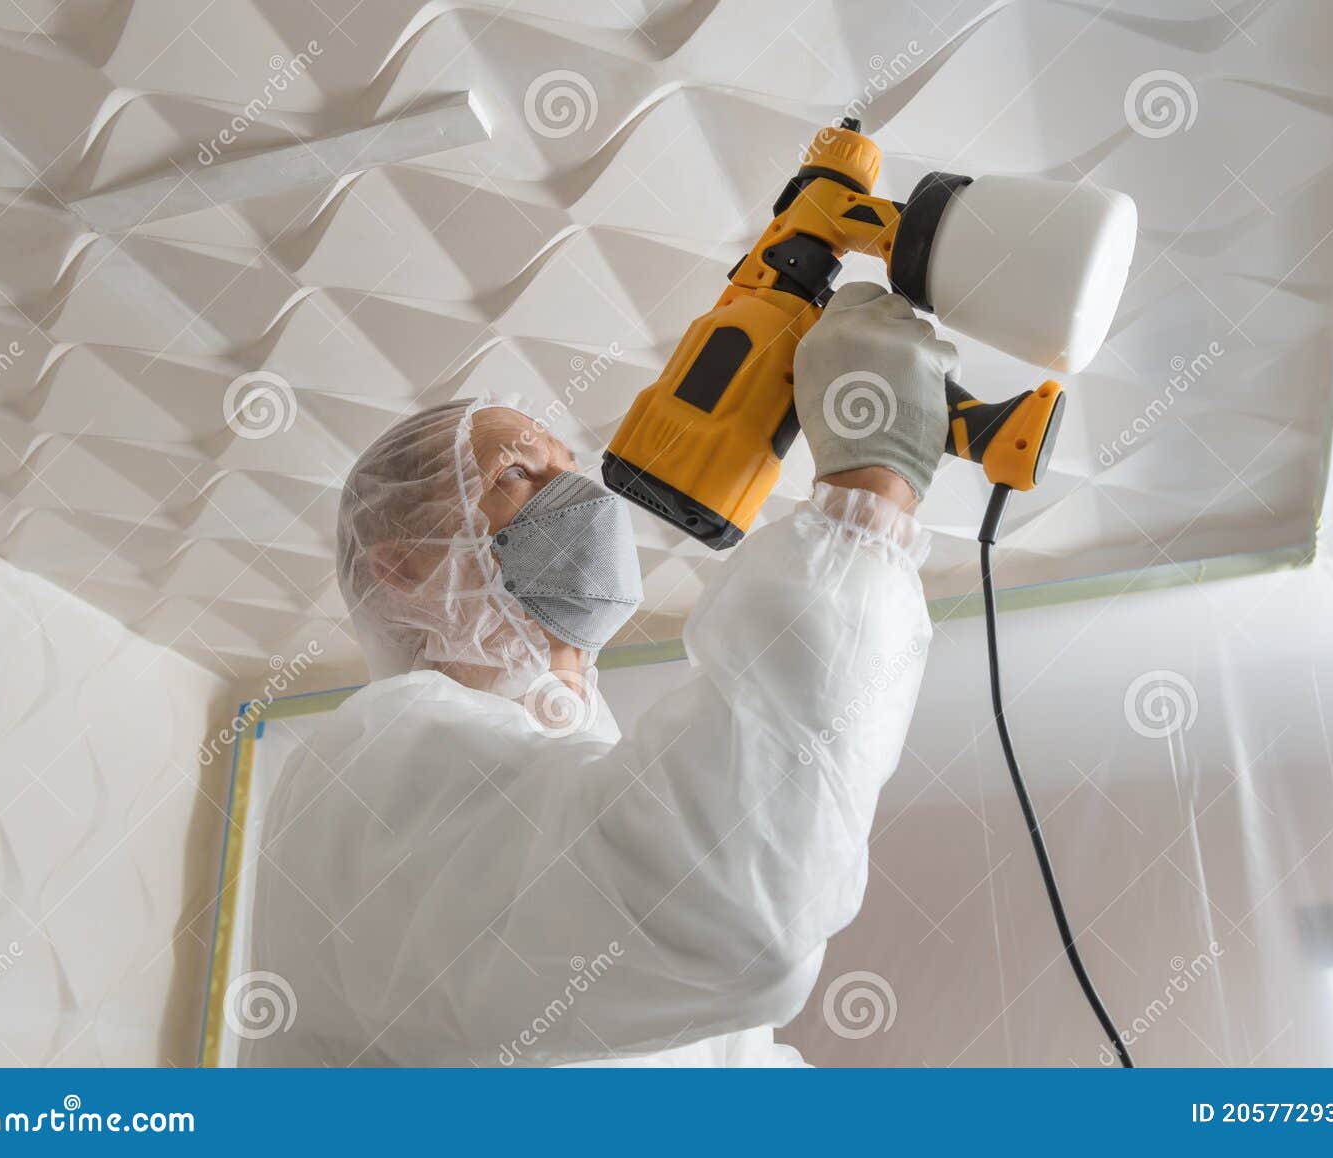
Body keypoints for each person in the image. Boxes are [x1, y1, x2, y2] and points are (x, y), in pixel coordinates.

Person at [240, 284, 956, 1065]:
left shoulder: (581, 767)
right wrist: (866, 506)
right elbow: (727, 917)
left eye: (571, 470)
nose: (581, 499)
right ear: (404, 570)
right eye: (517, 472)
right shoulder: (374, 760)